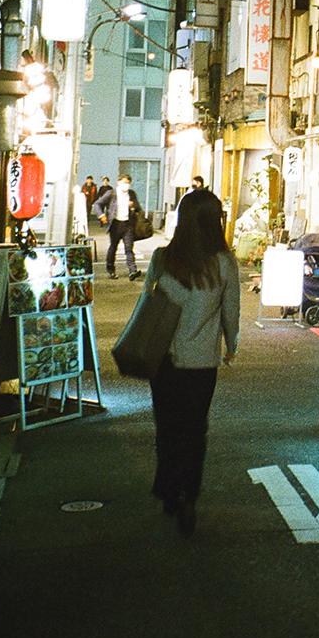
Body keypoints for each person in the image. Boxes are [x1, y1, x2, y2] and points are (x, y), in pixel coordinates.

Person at [144, 188, 240, 536]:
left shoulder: (163, 258)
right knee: (195, 429)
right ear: (215, 222)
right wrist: (231, 343)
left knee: (167, 426)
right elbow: (231, 310)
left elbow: (147, 303)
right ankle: (189, 496)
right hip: (201, 362)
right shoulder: (224, 263)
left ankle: (169, 490)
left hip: (163, 359)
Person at [92, 174, 142, 280]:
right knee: (113, 247)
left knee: (129, 248)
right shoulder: (112, 193)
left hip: (128, 224)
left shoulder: (131, 194)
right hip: (115, 224)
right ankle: (111, 270)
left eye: (128, 183)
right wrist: (101, 215)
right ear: (118, 182)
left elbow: (138, 208)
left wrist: (133, 206)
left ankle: (133, 270)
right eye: (124, 182)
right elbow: (97, 204)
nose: (126, 185)